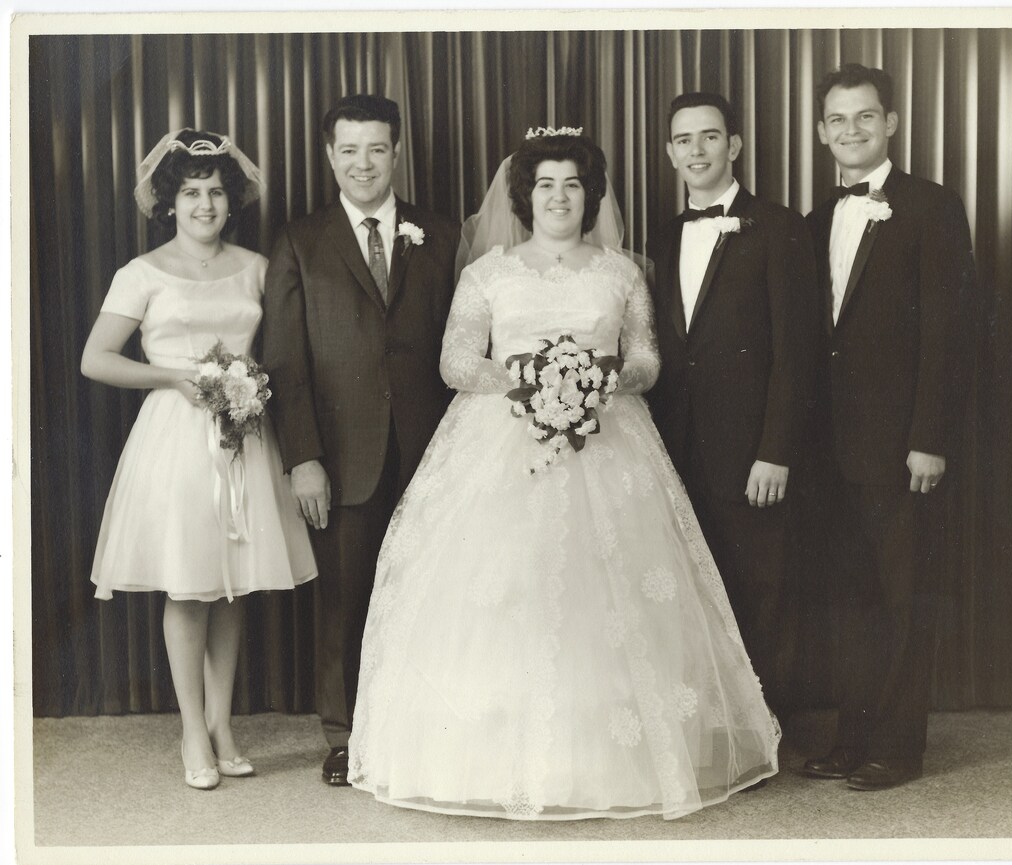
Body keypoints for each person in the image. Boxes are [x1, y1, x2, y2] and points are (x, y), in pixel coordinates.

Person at [345, 130, 779, 820]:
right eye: (545, 184)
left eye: (572, 184)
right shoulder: (488, 273)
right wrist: (531, 384)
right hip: (498, 444)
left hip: (609, 441)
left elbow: (647, 360)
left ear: (590, 195)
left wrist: (596, 383)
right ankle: (493, 763)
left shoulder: (621, 273)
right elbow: (456, 361)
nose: (558, 197)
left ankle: (602, 764)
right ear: (525, 196)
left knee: (604, 598)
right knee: (507, 592)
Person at [82, 129, 317, 791]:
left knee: (232, 582)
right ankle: (192, 727)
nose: (205, 205)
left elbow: (282, 351)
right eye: (191, 193)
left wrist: (248, 386)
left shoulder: (256, 267)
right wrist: (175, 378)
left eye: (215, 192)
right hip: (177, 438)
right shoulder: (142, 272)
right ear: (169, 202)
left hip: (244, 433)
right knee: (189, 585)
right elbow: (96, 359)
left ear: (230, 200)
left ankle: (222, 722)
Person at [260, 94, 460, 787]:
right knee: (345, 598)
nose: (363, 163)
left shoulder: (441, 235)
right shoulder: (299, 240)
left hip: (433, 451)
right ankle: (345, 735)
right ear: (329, 155)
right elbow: (284, 361)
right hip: (341, 456)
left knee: (432, 591)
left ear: (396, 152)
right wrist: (303, 457)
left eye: (376, 148)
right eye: (349, 150)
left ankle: (427, 726)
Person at [801, 64, 974, 790]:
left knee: (904, 595)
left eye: (865, 116)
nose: (852, 130)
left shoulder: (932, 206)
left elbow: (948, 331)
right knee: (850, 601)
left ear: (891, 123)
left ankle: (899, 749)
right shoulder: (816, 219)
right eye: (838, 120)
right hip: (831, 450)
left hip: (903, 445)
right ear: (821, 132)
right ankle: (852, 738)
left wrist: (929, 437)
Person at [646, 92, 817, 720]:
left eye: (710, 136)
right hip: (678, 449)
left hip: (751, 455)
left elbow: (796, 352)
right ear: (670, 153)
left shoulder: (778, 225)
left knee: (761, 592)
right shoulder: (665, 235)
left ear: (734, 145)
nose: (697, 150)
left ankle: (767, 734)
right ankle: (716, 734)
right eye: (684, 140)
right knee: (694, 595)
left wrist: (776, 451)